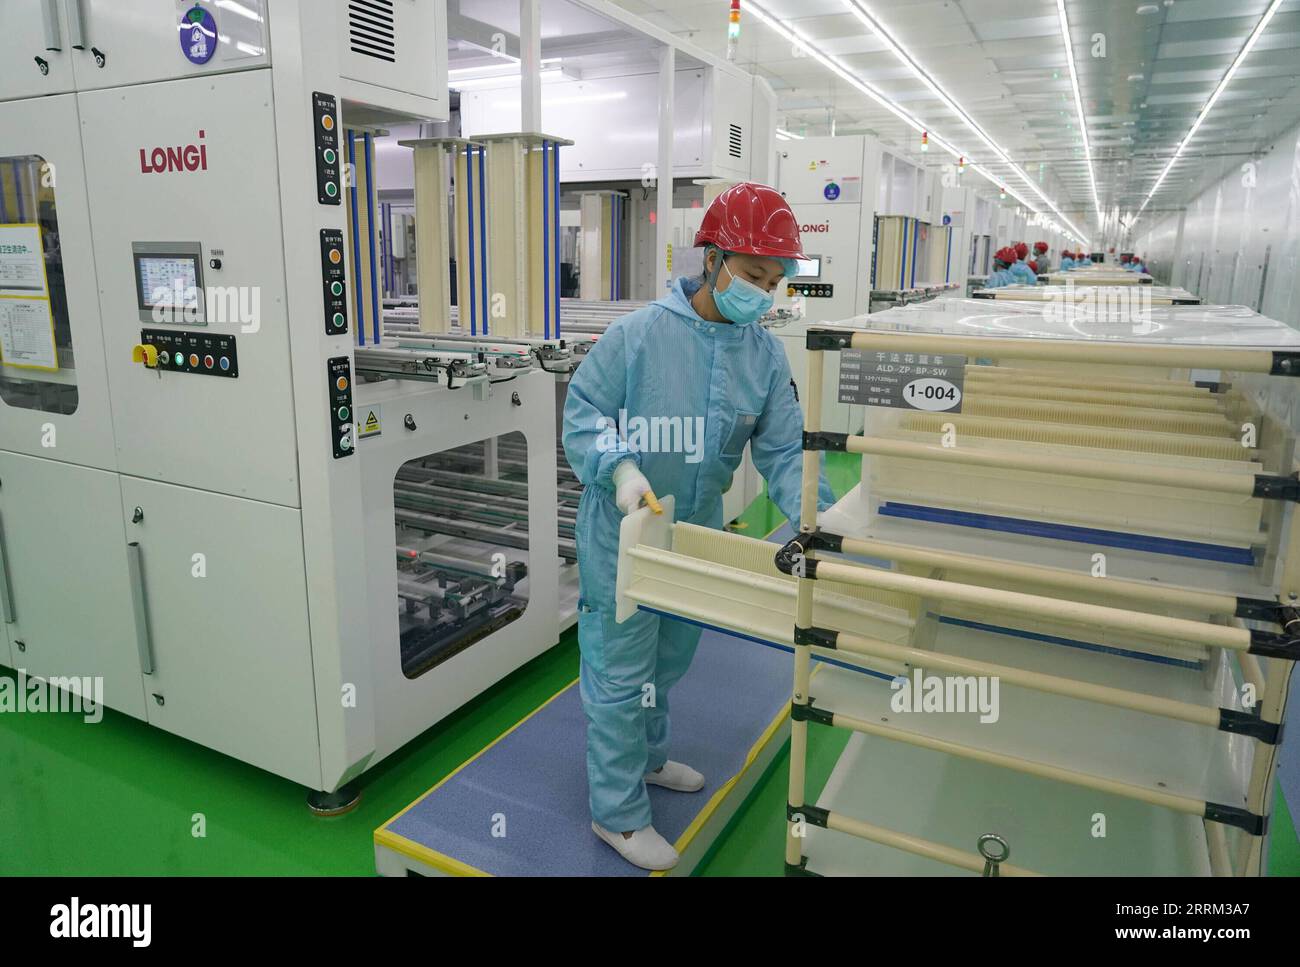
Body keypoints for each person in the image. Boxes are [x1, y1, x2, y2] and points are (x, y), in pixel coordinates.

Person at [562, 182, 835, 871]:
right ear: (711, 259)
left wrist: (823, 517)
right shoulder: (639, 333)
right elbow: (585, 411)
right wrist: (621, 470)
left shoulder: (763, 355)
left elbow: (780, 449)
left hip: (695, 531)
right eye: (750, 274)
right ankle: (617, 814)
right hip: (623, 531)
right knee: (622, 668)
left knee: (670, 655)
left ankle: (648, 761)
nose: (761, 292)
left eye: (773, 281)